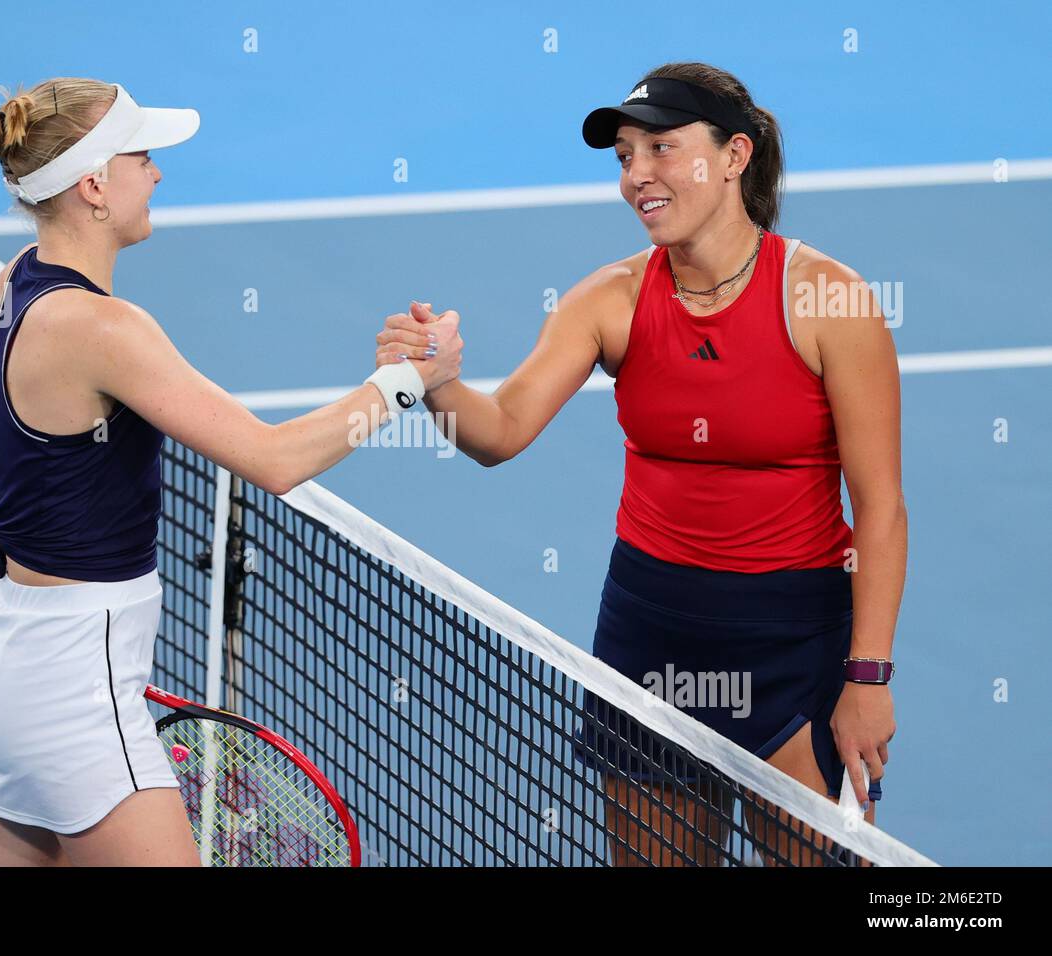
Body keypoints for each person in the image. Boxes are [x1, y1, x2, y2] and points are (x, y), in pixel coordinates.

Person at [376, 62, 904, 866]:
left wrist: (866, 678)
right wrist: (437, 383)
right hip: (649, 632)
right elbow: (503, 430)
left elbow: (881, 508)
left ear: (735, 156)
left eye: (662, 147)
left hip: (792, 643)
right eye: (625, 155)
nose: (638, 176)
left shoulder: (829, 301)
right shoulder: (609, 299)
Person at [0, 77, 460, 866]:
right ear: (93, 185)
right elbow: (277, 461)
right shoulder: (104, 328)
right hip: (70, 687)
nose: (156, 174)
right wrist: (405, 384)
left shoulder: (13, 279)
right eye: (143, 157)